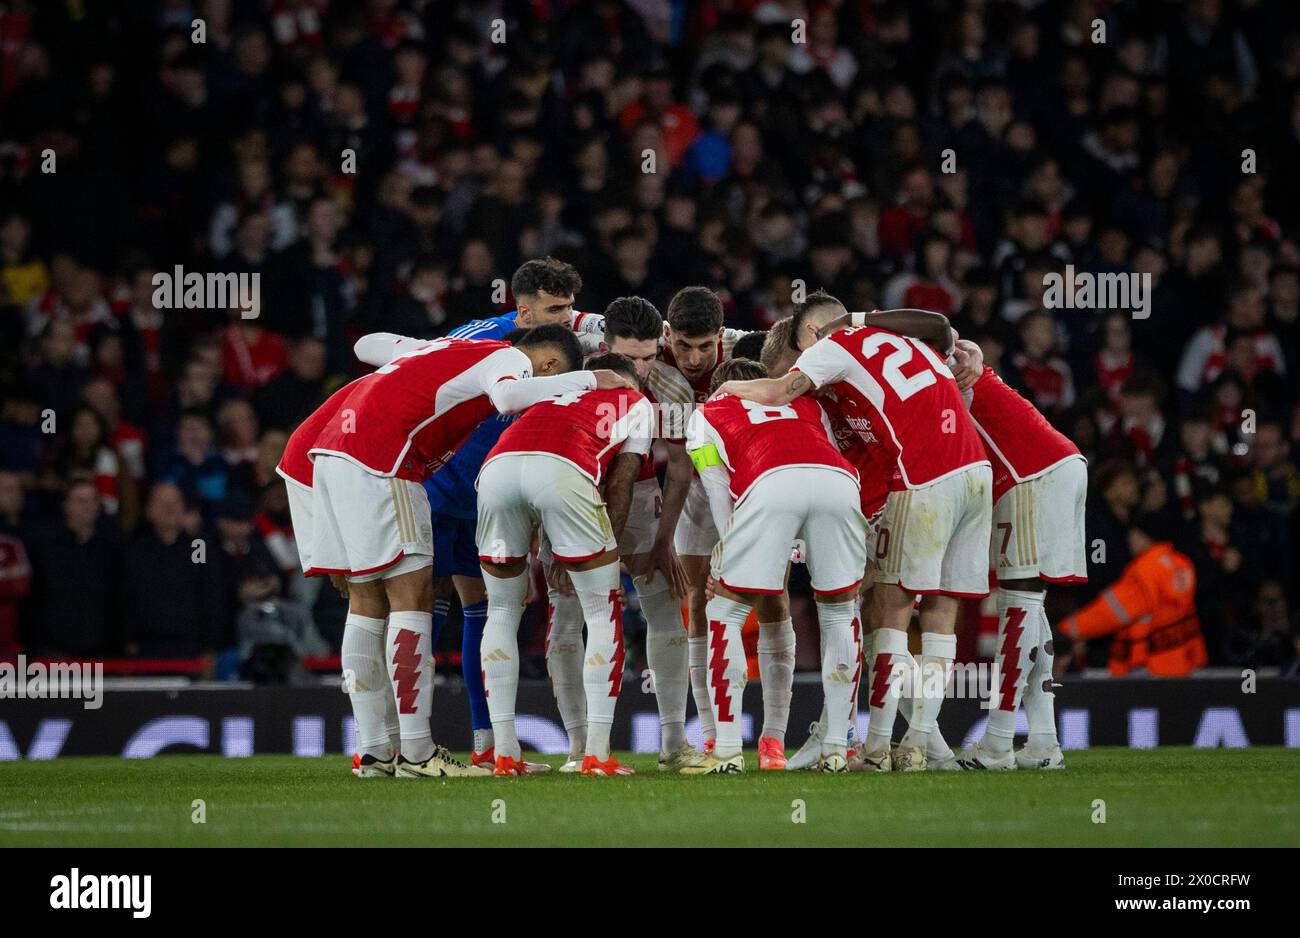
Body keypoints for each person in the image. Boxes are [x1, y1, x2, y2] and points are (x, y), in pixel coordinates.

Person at [301, 324, 633, 779]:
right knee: (412, 598)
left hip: (330, 453)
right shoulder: (509, 359)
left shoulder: (447, 348)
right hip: (385, 460)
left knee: (365, 602)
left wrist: (421, 349)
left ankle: (375, 752)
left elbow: (366, 344)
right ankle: (417, 752)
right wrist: (593, 380)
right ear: (549, 364)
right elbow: (507, 399)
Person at [717, 295, 990, 773]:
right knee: (940, 612)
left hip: (920, 478)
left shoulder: (829, 351)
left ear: (812, 337)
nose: (806, 388)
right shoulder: (895, 342)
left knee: (887, 607)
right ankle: (922, 742)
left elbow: (782, 390)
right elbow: (942, 330)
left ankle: (878, 748)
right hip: (972, 471)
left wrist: (723, 398)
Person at [685, 358, 868, 773]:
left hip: (768, 481)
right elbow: (818, 464)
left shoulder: (707, 413)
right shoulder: (807, 403)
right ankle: (838, 747)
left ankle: (728, 750)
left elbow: (717, 490)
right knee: (840, 613)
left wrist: (725, 557)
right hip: (839, 484)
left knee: (724, 611)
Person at [477, 352, 652, 777]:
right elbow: (622, 480)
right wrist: (596, 552)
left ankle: (504, 753)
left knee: (501, 609)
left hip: (495, 473)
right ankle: (596, 754)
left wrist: (556, 550)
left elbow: (532, 459)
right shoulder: (637, 402)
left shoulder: (561, 389)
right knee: (602, 609)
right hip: (564, 471)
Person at [948, 339, 1086, 771]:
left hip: (1031, 475)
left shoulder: (943, 372)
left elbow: (949, 338)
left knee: (1019, 608)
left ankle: (997, 742)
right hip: (1055, 464)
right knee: (1030, 611)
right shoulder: (958, 366)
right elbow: (956, 341)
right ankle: (1044, 743)